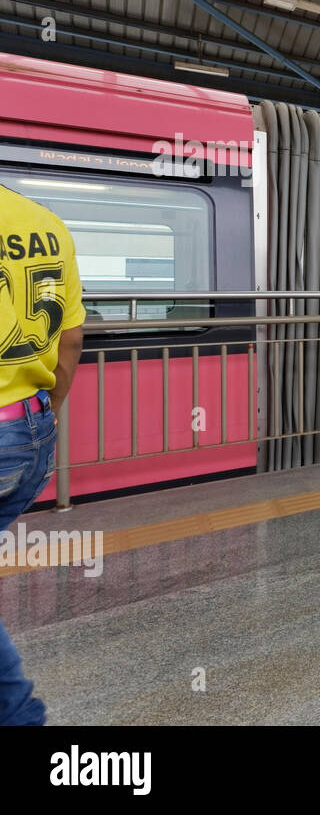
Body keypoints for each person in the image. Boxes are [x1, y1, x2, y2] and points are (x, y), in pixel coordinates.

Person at [0, 184, 85, 726]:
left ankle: (20, 717)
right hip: (27, 430)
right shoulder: (44, 222)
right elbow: (72, 339)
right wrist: (45, 412)